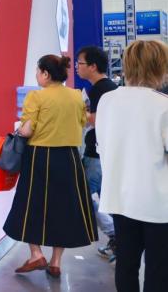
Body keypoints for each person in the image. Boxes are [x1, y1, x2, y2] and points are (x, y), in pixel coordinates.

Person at [3, 55, 96, 278]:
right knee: (63, 208)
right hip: (69, 158)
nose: (37, 75)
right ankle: (55, 262)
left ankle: (36, 254)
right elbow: (83, 122)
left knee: (31, 205)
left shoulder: (36, 96)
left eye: (38, 71)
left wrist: (18, 131)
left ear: (46, 73)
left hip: (39, 157)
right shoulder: (76, 95)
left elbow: (26, 130)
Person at [97, 40, 168, 292]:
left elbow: (102, 145)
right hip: (158, 203)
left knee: (126, 264)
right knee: (159, 269)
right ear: (160, 66)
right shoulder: (163, 105)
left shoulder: (107, 101)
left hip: (120, 198)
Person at [75, 45, 118, 260]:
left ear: (92, 66)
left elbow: (97, 120)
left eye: (80, 63)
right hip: (102, 152)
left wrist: (80, 111)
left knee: (87, 197)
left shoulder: (100, 89)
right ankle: (116, 238)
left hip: (96, 154)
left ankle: (115, 236)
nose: (77, 67)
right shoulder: (107, 87)